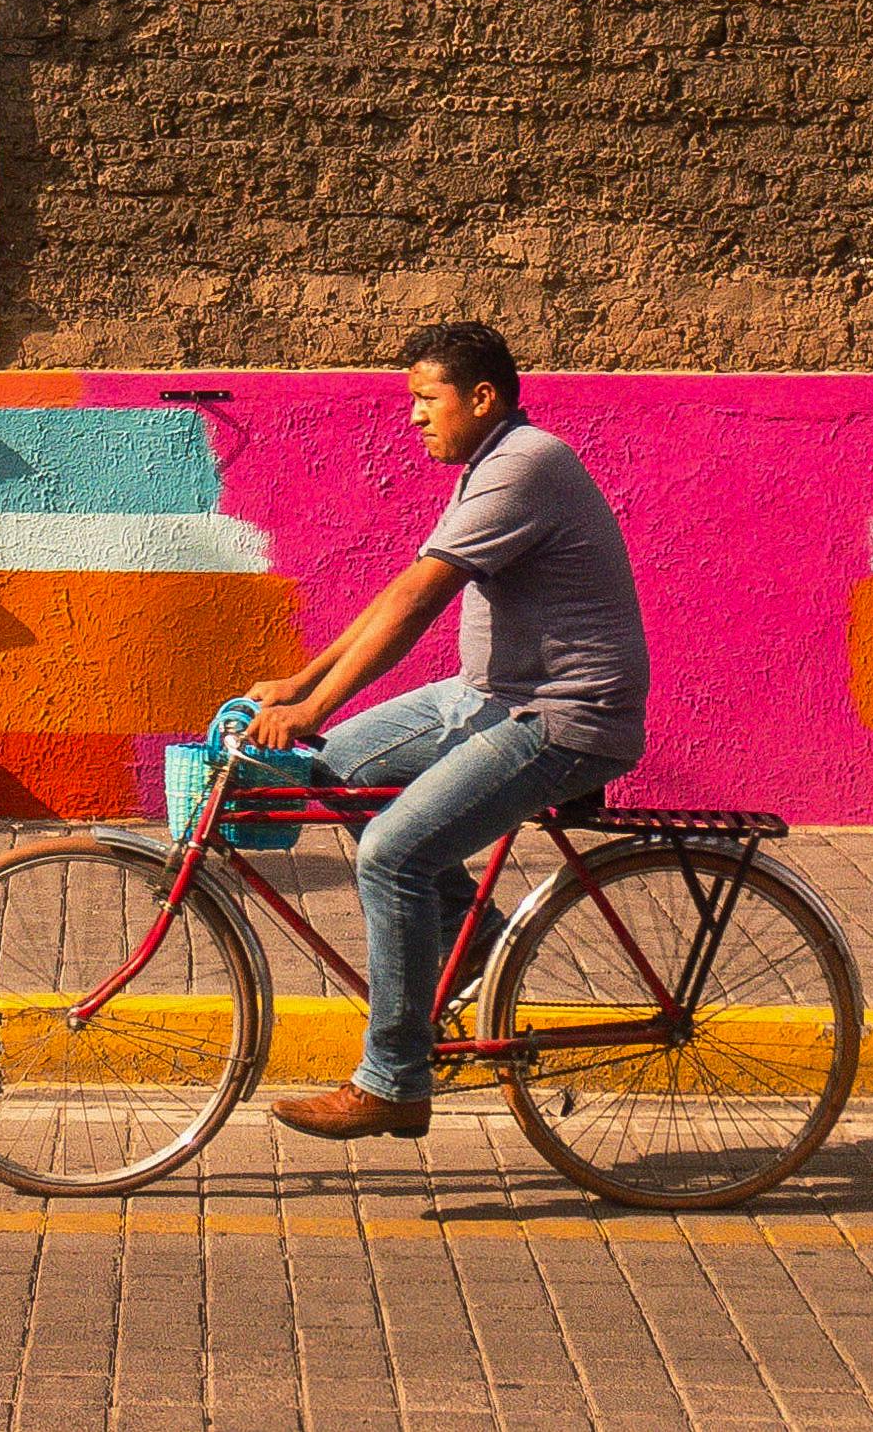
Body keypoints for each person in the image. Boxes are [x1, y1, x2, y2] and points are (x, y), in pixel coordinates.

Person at [237, 320, 649, 1141]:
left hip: (562, 715)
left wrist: (309, 707)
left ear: (482, 397)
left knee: (393, 851)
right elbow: (400, 588)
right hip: (487, 696)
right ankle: (474, 938)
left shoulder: (526, 466)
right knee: (334, 770)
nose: (414, 418)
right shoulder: (491, 463)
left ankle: (394, 1077)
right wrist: (299, 683)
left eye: (427, 399)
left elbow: (419, 600)